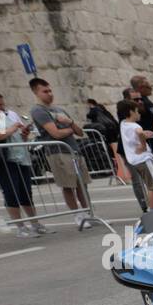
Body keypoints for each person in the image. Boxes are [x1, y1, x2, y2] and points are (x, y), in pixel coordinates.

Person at [0, 88, 49, 238]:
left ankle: (35, 223)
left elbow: (12, 136)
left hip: (20, 157)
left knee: (26, 193)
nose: (1, 107)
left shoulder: (2, 115)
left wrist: (23, 134)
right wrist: (13, 127)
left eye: (2, 104)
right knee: (11, 193)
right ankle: (21, 226)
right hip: (4, 159)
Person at [29, 77, 90, 221]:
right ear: (36, 92)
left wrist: (70, 123)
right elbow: (55, 133)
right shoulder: (38, 110)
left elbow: (80, 132)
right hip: (58, 152)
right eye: (45, 91)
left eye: (50, 90)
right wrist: (70, 129)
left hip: (74, 150)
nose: (49, 94)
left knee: (82, 184)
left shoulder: (59, 109)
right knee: (68, 185)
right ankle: (77, 215)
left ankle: (88, 211)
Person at [117, 99, 153, 209]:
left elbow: (136, 135)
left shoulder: (124, 124)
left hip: (137, 160)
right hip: (144, 159)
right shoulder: (136, 126)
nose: (139, 113)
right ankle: (152, 209)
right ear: (131, 112)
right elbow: (139, 132)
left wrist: (144, 135)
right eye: (137, 111)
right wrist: (143, 145)